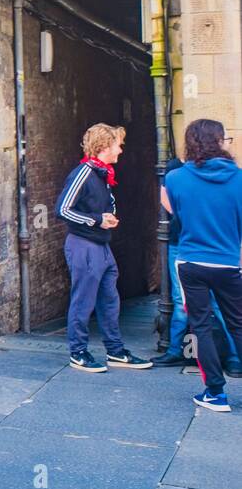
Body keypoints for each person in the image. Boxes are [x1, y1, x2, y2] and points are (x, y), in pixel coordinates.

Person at [56, 122, 152, 373]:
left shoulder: (102, 174)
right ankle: (78, 352)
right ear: (104, 146)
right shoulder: (83, 173)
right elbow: (63, 209)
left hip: (101, 245)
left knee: (110, 299)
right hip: (83, 245)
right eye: (118, 145)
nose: (121, 150)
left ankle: (115, 351)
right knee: (83, 301)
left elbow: (101, 206)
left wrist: (107, 217)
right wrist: (98, 220)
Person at [162, 119, 242, 412]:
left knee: (202, 326)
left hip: (192, 261)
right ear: (220, 141)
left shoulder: (176, 178)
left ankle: (215, 393)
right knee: (238, 324)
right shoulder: (239, 179)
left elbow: (179, 215)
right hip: (229, 264)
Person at [151, 153, 242, 373]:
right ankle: (177, 350)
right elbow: (166, 198)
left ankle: (225, 370)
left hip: (199, 250)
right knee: (185, 305)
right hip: (196, 246)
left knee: (214, 311)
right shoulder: (178, 172)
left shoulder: (229, 175)